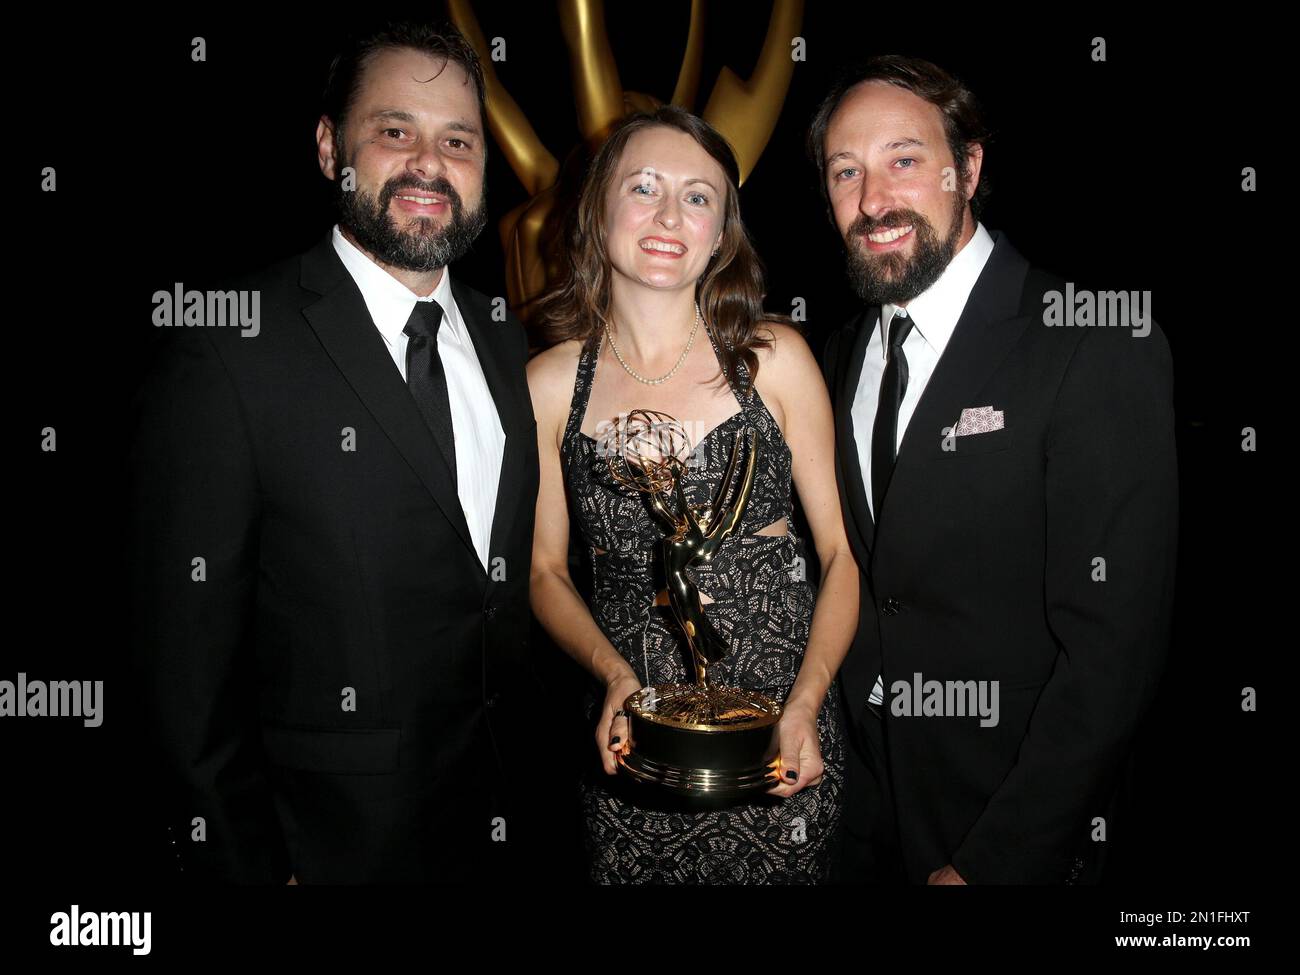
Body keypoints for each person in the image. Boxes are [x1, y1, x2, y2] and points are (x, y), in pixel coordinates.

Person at [129, 21, 548, 883]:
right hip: (329, 850)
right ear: (330, 149)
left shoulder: (513, 342)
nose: (430, 163)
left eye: (458, 141)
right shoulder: (230, 345)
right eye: (395, 132)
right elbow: (183, 669)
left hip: (512, 831)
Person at [811, 55, 1178, 883]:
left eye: (903, 160)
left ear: (967, 168)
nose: (872, 202)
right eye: (846, 172)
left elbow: (1114, 657)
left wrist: (997, 861)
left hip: (1016, 841)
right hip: (867, 828)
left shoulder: (1092, 341)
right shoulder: (837, 357)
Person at [526, 106, 858, 883]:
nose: (671, 215)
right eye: (644, 188)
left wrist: (806, 703)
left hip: (784, 743)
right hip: (636, 752)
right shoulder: (546, 386)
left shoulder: (775, 361)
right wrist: (614, 677)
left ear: (720, 235)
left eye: (699, 197)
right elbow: (544, 572)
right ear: (598, 209)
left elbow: (841, 556)